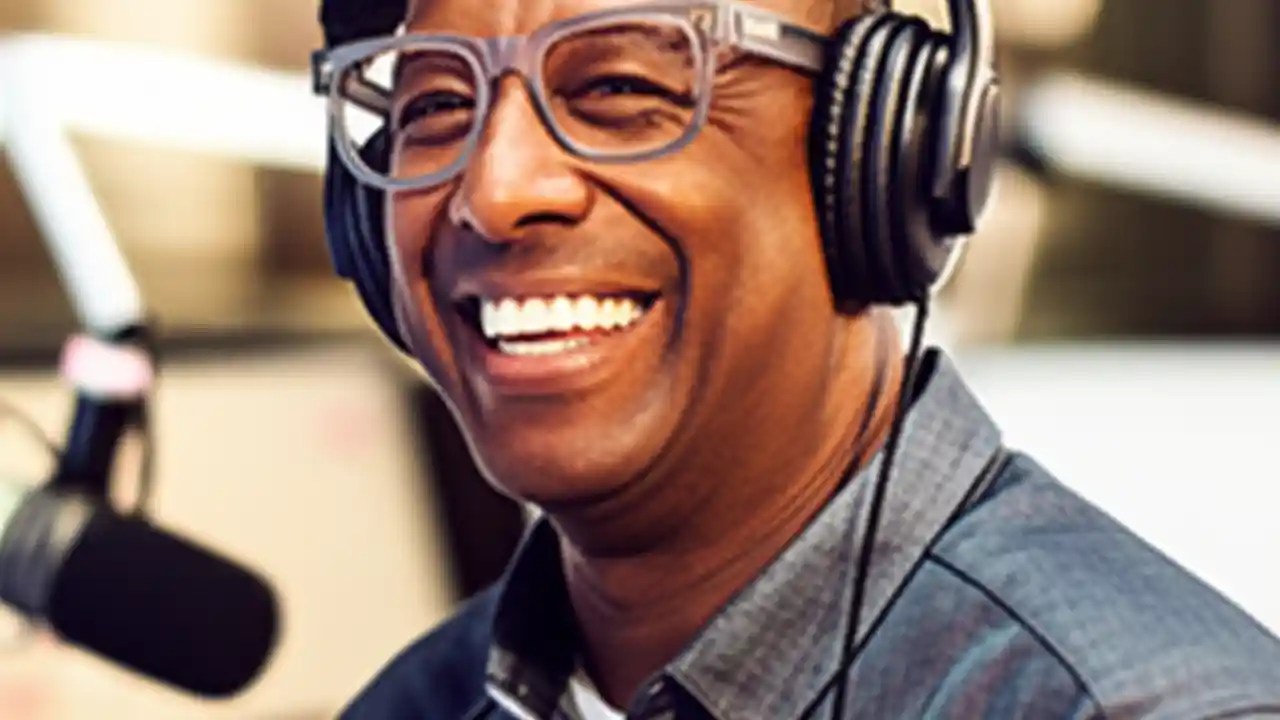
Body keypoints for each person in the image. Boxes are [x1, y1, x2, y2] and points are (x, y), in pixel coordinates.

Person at [314, 0, 1280, 717]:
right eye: (436, 105)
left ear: (878, 156)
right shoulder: (421, 703)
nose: (496, 187)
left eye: (621, 90)